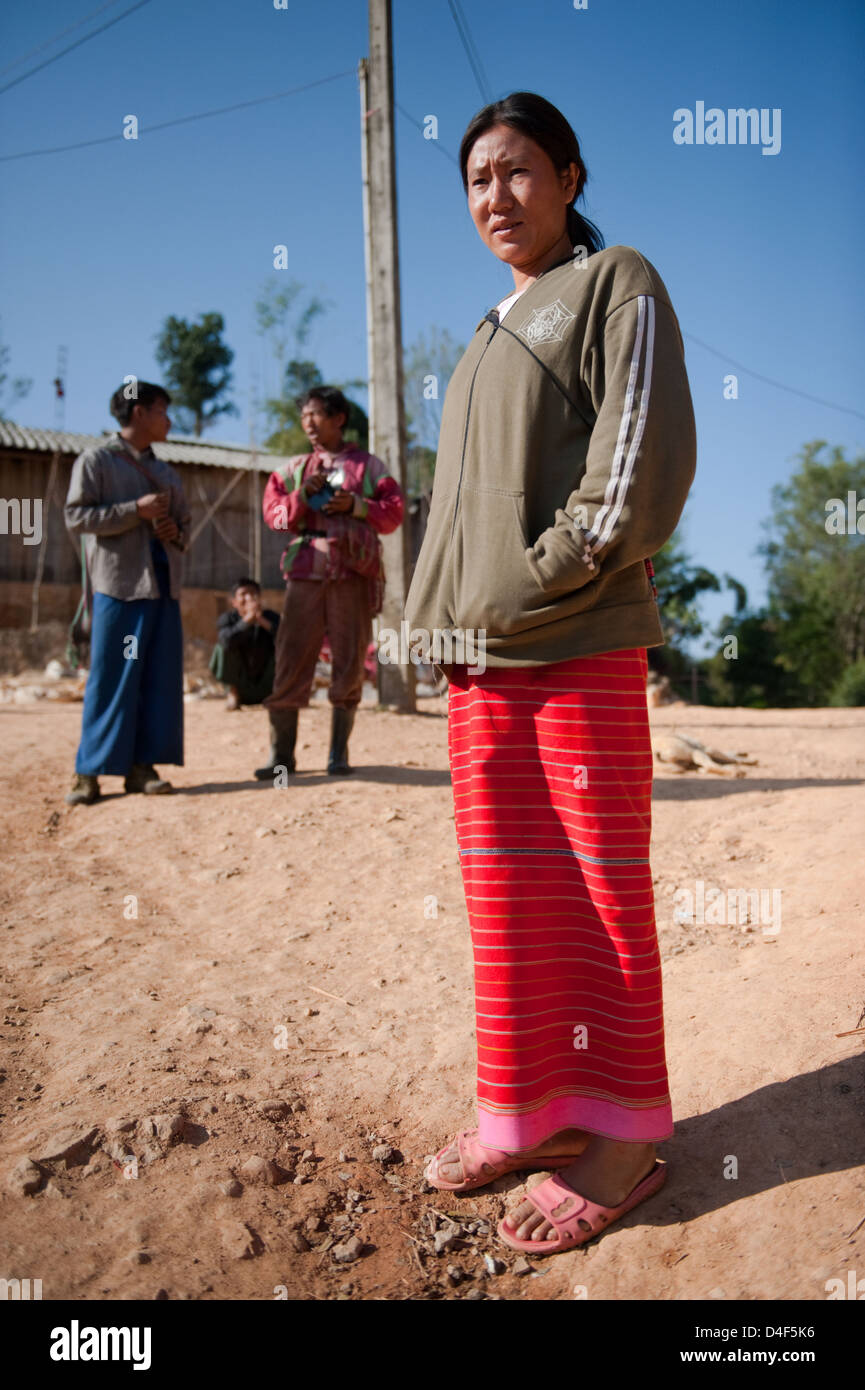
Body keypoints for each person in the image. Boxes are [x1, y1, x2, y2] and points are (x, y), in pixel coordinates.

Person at [404, 92, 697, 1255]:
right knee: (510, 909)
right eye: (476, 179)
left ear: (570, 177)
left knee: (597, 894)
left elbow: (637, 461)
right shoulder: (485, 330)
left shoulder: (614, 279)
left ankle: (624, 1142)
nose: (494, 196)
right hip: (481, 666)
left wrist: (545, 572)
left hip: (574, 644)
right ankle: (524, 1115)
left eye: (517, 171)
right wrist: (438, 621)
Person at [256, 387, 403, 778]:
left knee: (350, 659)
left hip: (353, 575)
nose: (309, 424)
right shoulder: (293, 470)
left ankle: (338, 756)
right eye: (304, 417)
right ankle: (281, 757)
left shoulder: (369, 468)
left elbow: (394, 514)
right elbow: (276, 519)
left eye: (317, 415)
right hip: (306, 573)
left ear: (339, 419)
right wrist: (302, 497)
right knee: (291, 657)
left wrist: (356, 506)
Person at [64, 382, 190, 805]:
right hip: (119, 587)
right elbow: (76, 517)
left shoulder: (170, 474)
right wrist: (132, 511)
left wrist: (175, 532)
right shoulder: (96, 461)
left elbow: (186, 531)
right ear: (139, 413)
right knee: (111, 679)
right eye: (162, 411)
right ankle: (89, 772)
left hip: (163, 590)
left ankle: (143, 768)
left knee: (158, 680)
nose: (169, 420)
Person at [209, 578, 280, 710]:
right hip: (240, 685)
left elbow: (285, 640)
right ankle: (233, 693)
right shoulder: (228, 619)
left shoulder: (271, 617)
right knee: (223, 645)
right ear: (234, 602)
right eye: (243, 594)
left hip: (267, 685)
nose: (248, 598)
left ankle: (277, 694)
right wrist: (246, 621)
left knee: (285, 646)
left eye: (252, 593)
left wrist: (261, 621)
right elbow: (226, 641)